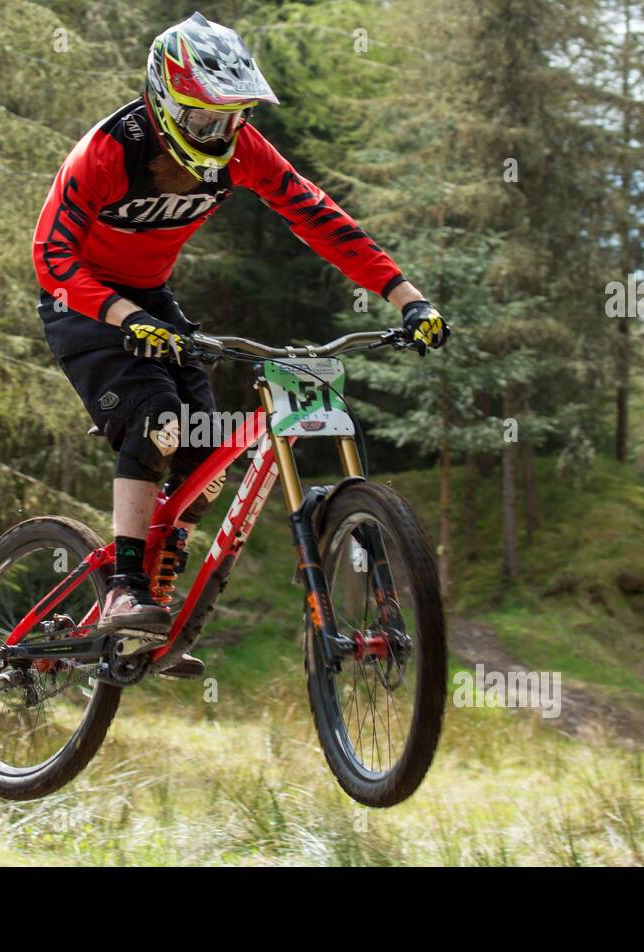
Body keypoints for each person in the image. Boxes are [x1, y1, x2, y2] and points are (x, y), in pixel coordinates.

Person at [31, 12, 448, 677]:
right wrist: (121, 315)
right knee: (158, 420)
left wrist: (408, 298)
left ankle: (154, 606)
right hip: (81, 302)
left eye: (234, 116)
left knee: (205, 453)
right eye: (205, 118)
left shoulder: (242, 150)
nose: (221, 133)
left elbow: (320, 218)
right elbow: (51, 257)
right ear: (165, 104)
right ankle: (124, 590)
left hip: (152, 300)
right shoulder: (109, 151)